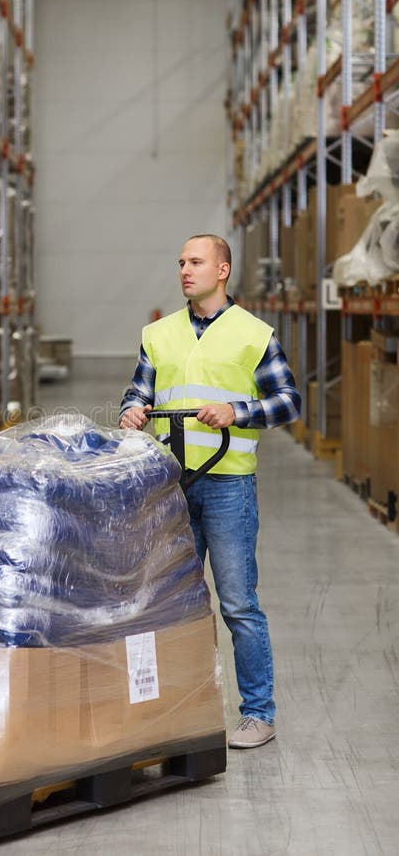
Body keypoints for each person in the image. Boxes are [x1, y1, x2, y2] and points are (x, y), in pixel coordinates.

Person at [119, 234, 300, 749]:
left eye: (196, 262)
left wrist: (238, 412)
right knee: (171, 605)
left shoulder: (253, 334)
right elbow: (139, 391)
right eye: (180, 262)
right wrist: (132, 410)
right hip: (170, 485)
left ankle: (258, 714)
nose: (185, 270)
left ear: (222, 270)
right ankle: (178, 715)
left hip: (227, 486)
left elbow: (288, 401)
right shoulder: (158, 333)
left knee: (239, 604)